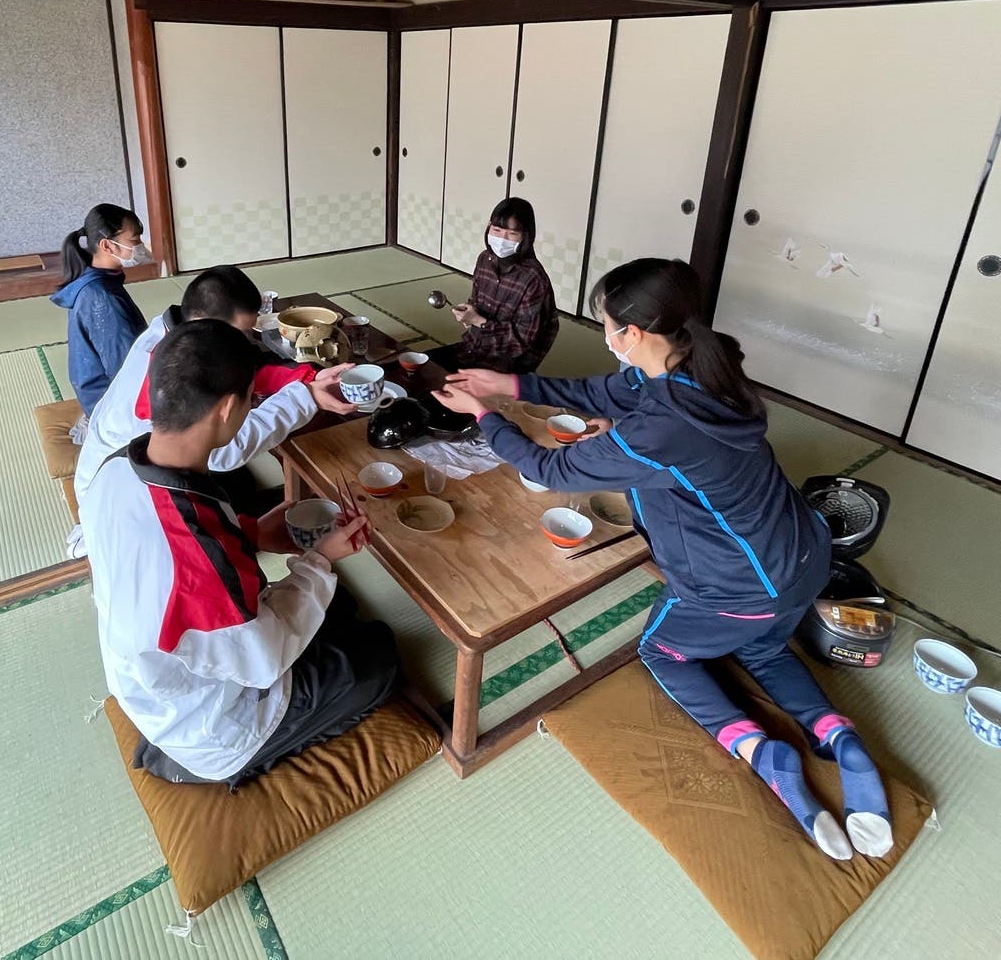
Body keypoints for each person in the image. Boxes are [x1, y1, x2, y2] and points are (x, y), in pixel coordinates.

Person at [433, 257, 893, 861]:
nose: (605, 337)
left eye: (606, 326)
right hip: (802, 557)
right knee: (760, 647)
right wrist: (509, 385)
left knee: (662, 649)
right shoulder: (706, 369)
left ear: (634, 334)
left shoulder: (661, 427)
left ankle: (761, 752)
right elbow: (601, 391)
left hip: (740, 585)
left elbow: (547, 466)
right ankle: (837, 735)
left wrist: (485, 416)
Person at [84, 318, 400, 786]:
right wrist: (321, 558)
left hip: (154, 673)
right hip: (214, 721)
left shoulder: (118, 467)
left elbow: (177, 532)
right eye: (253, 397)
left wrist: (250, 533)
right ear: (230, 407)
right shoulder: (198, 558)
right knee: (379, 660)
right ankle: (210, 765)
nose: (255, 404)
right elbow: (263, 659)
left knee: (338, 607)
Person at [68, 266, 354, 555]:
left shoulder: (177, 332)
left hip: (134, 466)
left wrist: (307, 377)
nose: (247, 340)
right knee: (232, 491)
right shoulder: (162, 373)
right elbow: (225, 449)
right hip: (121, 494)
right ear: (206, 322)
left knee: (241, 485)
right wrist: (304, 399)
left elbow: (245, 367)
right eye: (242, 332)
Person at [51, 204, 149, 440]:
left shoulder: (97, 279)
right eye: (134, 239)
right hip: (107, 403)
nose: (140, 246)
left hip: (97, 391)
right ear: (107, 245)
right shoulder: (102, 298)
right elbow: (125, 369)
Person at [430, 197, 559, 374]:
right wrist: (468, 313)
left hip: (508, 364)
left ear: (526, 236)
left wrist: (478, 321)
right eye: (496, 230)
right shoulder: (485, 259)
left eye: (512, 234)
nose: (502, 239)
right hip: (476, 346)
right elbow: (476, 301)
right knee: (420, 367)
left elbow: (522, 340)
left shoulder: (533, 279)